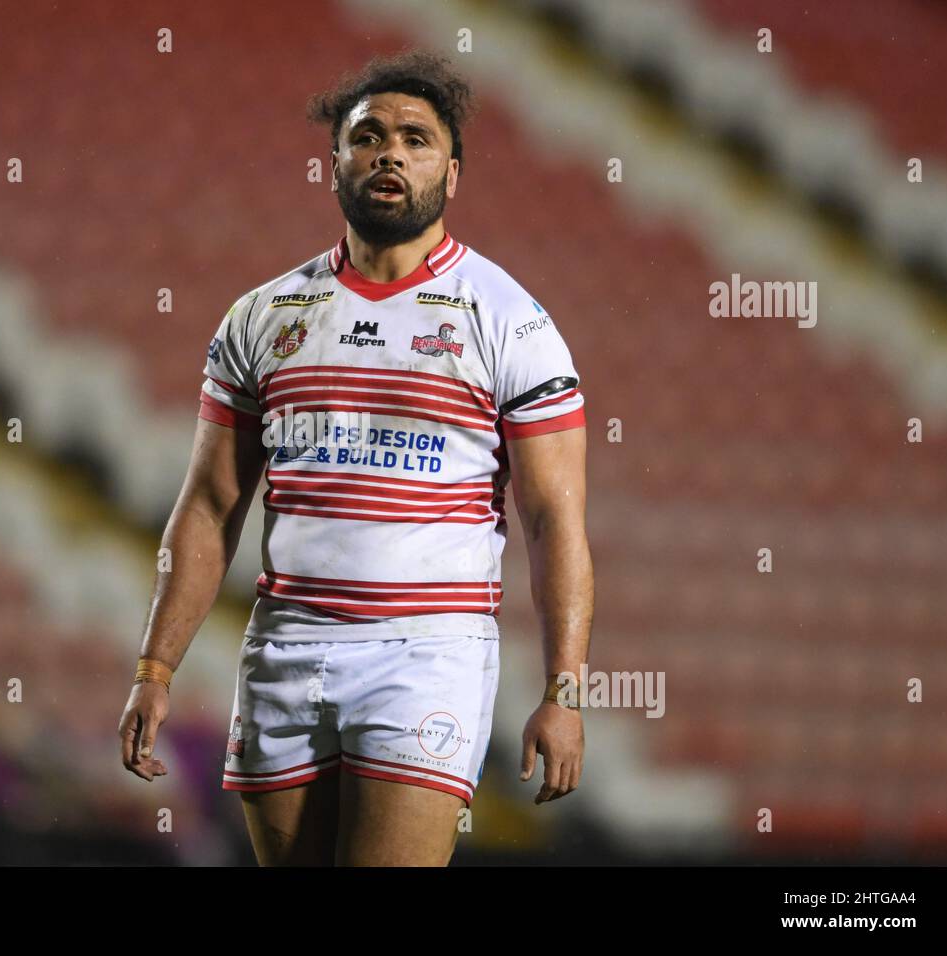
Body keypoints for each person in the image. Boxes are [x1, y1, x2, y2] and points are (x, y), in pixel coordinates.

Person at [119, 49, 593, 866]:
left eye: (416, 138)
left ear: (453, 171)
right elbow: (208, 505)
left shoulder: (510, 321)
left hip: (427, 653)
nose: (391, 154)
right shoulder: (264, 317)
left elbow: (555, 520)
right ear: (333, 162)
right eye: (368, 136)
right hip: (285, 646)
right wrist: (155, 667)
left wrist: (564, 691)